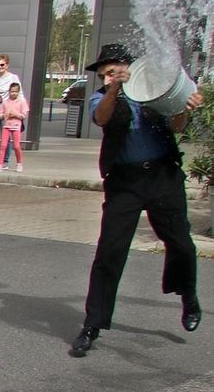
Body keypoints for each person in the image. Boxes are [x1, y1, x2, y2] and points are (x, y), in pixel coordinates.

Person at [70, 43, 204, 357]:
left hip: (162, 177)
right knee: (109, 252)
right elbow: (101, 119)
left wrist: (185, 108)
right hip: (124, 183)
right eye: (104, 74)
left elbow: (176, 124)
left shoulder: (152, 92)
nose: (107, 76)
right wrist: (114, 88)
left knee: (182, 243)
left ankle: (189, 297)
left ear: (130, 68)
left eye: (113, 70)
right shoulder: (102, 97)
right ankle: (92, 325)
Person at [0, 82, 30, 172]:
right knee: (3, 145)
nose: (13, 93)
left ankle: (19, 163)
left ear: (18, 92)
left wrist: (16, 115)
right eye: (12, 91)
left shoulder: (21, 102)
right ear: (9, 92)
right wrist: (3, 116)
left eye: (15, 92)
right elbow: (0, 114)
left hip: (16, 126)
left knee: (16, 146)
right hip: (6, 126)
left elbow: (24, 115)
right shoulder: (5, 102)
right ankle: (0, 164)